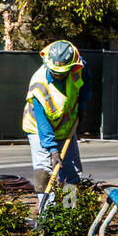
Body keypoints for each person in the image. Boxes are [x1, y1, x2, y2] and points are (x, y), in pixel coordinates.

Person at [23, 40, 89, 210]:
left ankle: (69, 212)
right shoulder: (38, 85)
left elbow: (86, 84)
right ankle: (47, 215)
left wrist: (82, 107)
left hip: (66, 127)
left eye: (62, 73)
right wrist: (53, 151)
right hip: (38, 129)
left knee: (72, 172)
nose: (58, 75)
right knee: (44, 172)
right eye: (55, 72)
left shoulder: (79, 67)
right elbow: (43, 123)